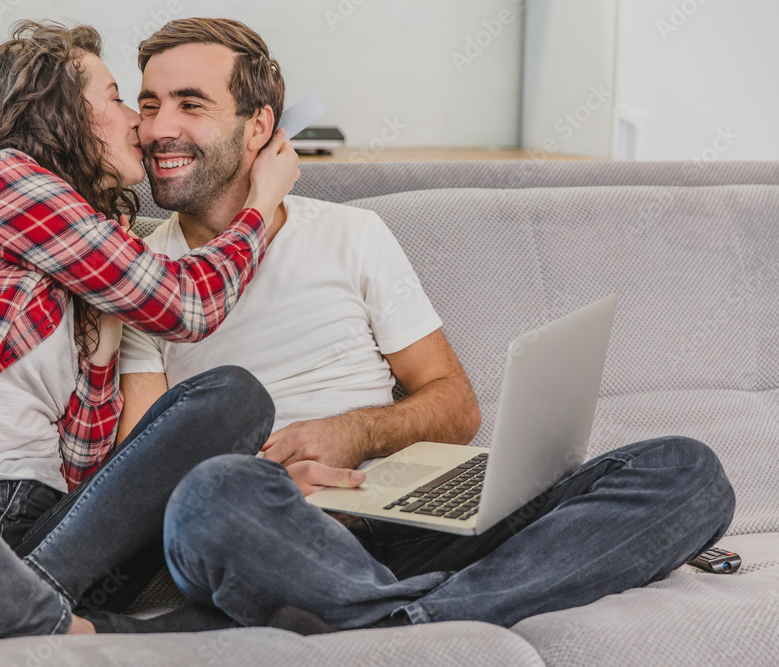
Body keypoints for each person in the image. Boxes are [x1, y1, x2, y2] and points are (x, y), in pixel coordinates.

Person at [118, 17, 736, 632]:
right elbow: (141, 467)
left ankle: (408, 614)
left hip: (406, 519)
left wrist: (355, 432)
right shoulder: (143, 277)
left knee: (687, 471)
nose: (158, 129)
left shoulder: (351, 234)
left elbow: (455, 406)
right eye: (148, 105)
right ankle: (447, 605)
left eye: (189, 104)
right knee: (213, 503)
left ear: (258, 127)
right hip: (280, 528)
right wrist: (267, 474)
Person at [0, 20, 299, 646]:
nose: (140, 125)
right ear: (61, 114)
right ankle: (50, 627)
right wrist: (262, 201)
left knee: (236, 398)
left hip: (38, 535)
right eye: (119, 98)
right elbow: (186, 306)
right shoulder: (1, 180)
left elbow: (85, 471)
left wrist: (106, 342)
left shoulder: (96, 260)